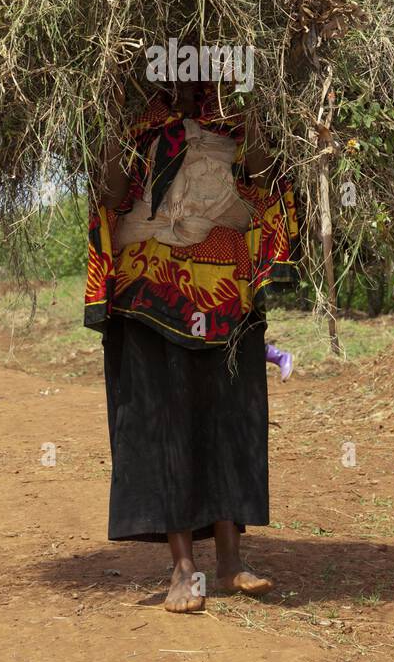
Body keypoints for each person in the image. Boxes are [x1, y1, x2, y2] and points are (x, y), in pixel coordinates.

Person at [85, 76, 299, 613]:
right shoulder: (133, 123)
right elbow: (110, 197)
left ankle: (231, 561)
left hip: (228, 295)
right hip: (149, 295)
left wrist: (253, 123)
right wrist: (115, 138)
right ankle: (183, 569)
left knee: (230, 419)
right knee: (165, 424)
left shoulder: (236, 119)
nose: (185, 85)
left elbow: (268, 184)